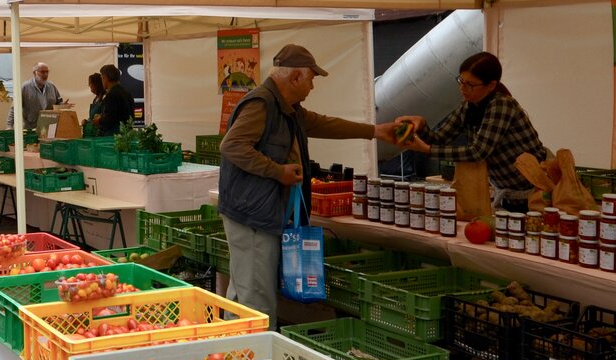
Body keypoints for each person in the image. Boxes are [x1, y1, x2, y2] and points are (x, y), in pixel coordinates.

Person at [218, 43, 402, 330]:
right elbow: (232, 146)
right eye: (311, 79)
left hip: (257, 212)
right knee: (257, 301)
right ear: (295, 78)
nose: (312, 87)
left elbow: (324, 124)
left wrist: (375, 131)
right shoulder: (262, 104)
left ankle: (237, 354)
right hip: (252, 216)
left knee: (246, 292)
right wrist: (278, 171)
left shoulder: (287, 109)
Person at [399, 51, 547, 209]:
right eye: (461, 81)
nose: (463, 88)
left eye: (470, 84)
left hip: (534, 193)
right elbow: (439, 139)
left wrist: (428, 150)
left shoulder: (502, 105)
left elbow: (478, 152)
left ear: (491, 85)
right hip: (507, 192)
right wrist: (422, 126)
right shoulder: (468, 107)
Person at [5, 62, 66, 130]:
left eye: (47, 72)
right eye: (42, 72)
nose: (45, 74)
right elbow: (15, 108)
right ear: (34, 73)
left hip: (50, 126)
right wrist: (9, 125)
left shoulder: (51, 86)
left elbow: (58, 102)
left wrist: (63, 105)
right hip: (31, 127)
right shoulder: (25, 87)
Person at [94, 65, 135, 135]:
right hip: (127, 135)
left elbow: (110, 119)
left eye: (102, 78)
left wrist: (99, 120)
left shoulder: (111, 95)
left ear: (105, 78)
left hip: (114, 137)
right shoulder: (127, 94)